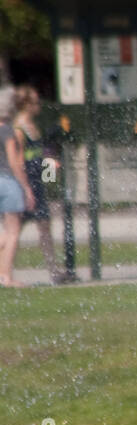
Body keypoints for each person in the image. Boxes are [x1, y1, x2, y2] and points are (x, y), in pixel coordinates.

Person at [12, 86, 73, 285]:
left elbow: (38, 155)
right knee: (13, 231)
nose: (39, 105)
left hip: (36, 183)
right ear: (26, 104)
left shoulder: (32, 125)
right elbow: (19, 161)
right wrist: (25, 189)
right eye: (36, 101)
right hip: (25, 185)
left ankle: (54, 272)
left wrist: (49, 169)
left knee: (44, 226)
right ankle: (5, 272)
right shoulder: (19, 129)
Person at [0, 89, 37, 289]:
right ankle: (6, 276)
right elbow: (15, 162)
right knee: (13, 232)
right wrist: (26, 187)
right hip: (8, 182)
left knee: (5, 231)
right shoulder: (7, 131)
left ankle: (1, 273)